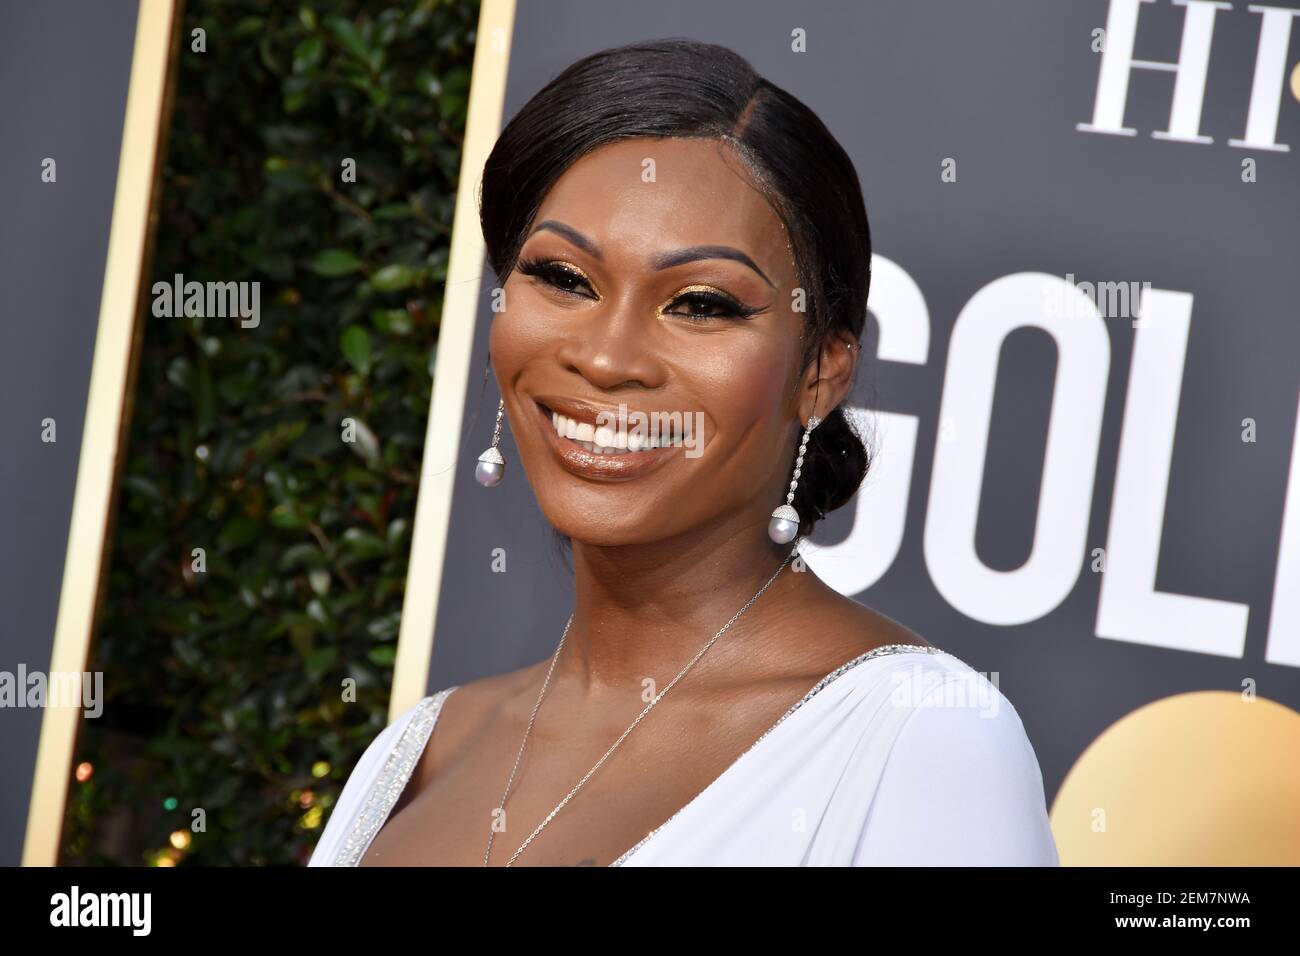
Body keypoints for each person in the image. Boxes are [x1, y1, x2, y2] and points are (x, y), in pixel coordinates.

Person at [309, 37, 1059, 867]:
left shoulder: (920, 739)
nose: (606, 357)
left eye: (700, 304)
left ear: (820, 371)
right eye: (563, 278)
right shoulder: (416, 750)